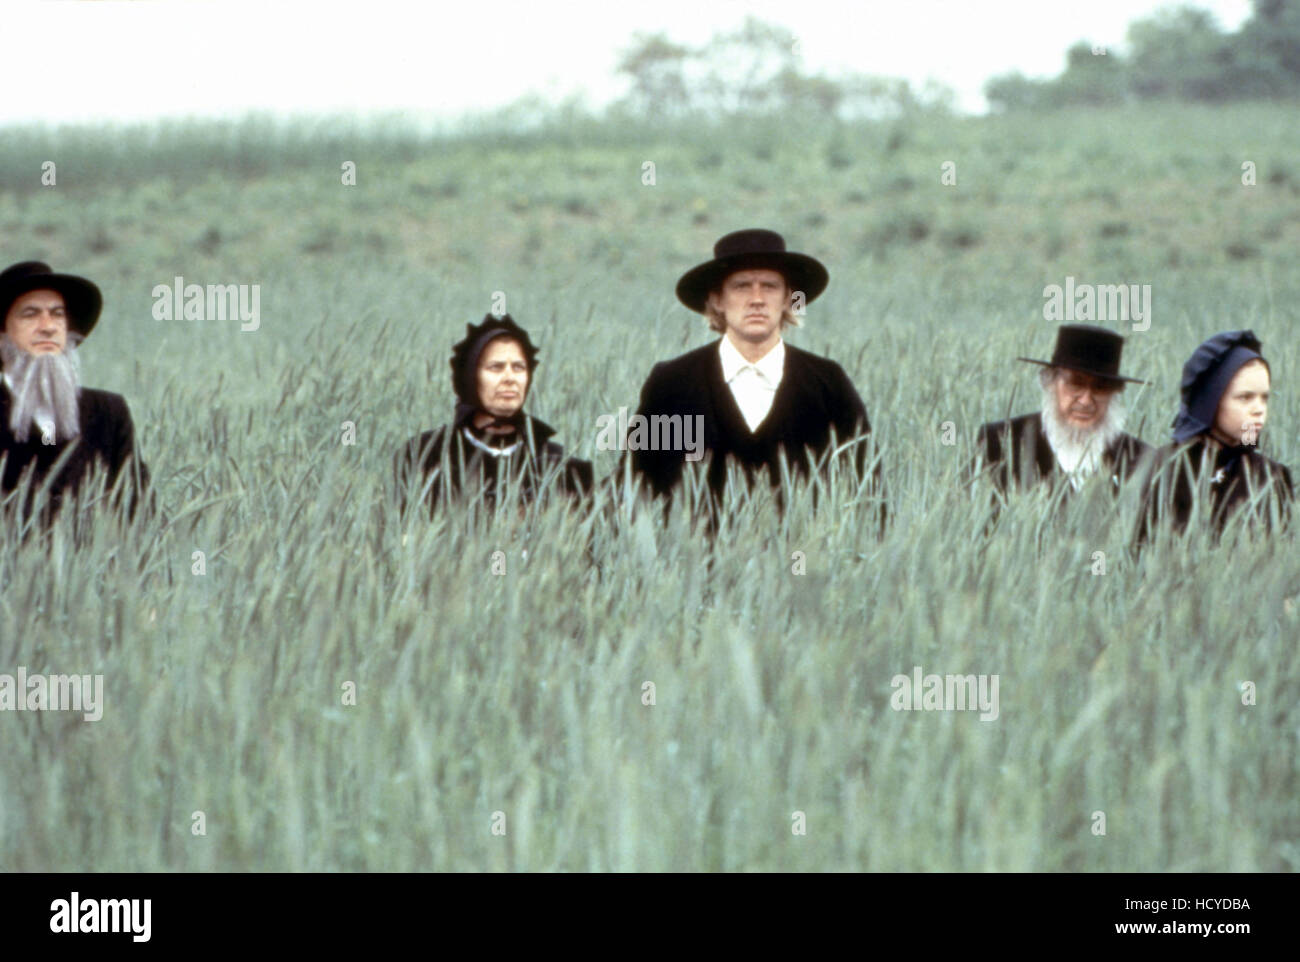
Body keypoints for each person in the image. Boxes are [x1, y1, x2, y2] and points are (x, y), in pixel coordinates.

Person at [626, 228, 883, 526]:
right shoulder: (672, 383)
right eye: (742, 286)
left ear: (788, 299)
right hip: (693, 565)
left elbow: (869, 491)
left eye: (770, 287)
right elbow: (635, 485)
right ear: (717, 300)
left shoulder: (827, 382)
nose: (757, 299)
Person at [394, 313, 593, 517]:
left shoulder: (559, 464)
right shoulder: (425, 455)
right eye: (496, 367)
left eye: (518, 367)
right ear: (470, 377)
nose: (510, 378)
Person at [0, 260, 151, 528]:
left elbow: (140, 515)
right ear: (2, 333)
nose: (48, 326)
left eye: (57, 314)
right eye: (30, 314)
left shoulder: (108, 412)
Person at [1134, 330, 1293, 546]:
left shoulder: (1271, 476)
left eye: (1264, 398)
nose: (1259, 410)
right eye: (1245, 397)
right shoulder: (1159, 470)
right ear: (1211, 401)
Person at [972, 324, 1151, 503]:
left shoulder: (1143, 460)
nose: (1086, 400)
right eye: (1075, 383)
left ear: (1114, 394)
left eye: (1100, 387)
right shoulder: (997, 443)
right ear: (1049, 382)